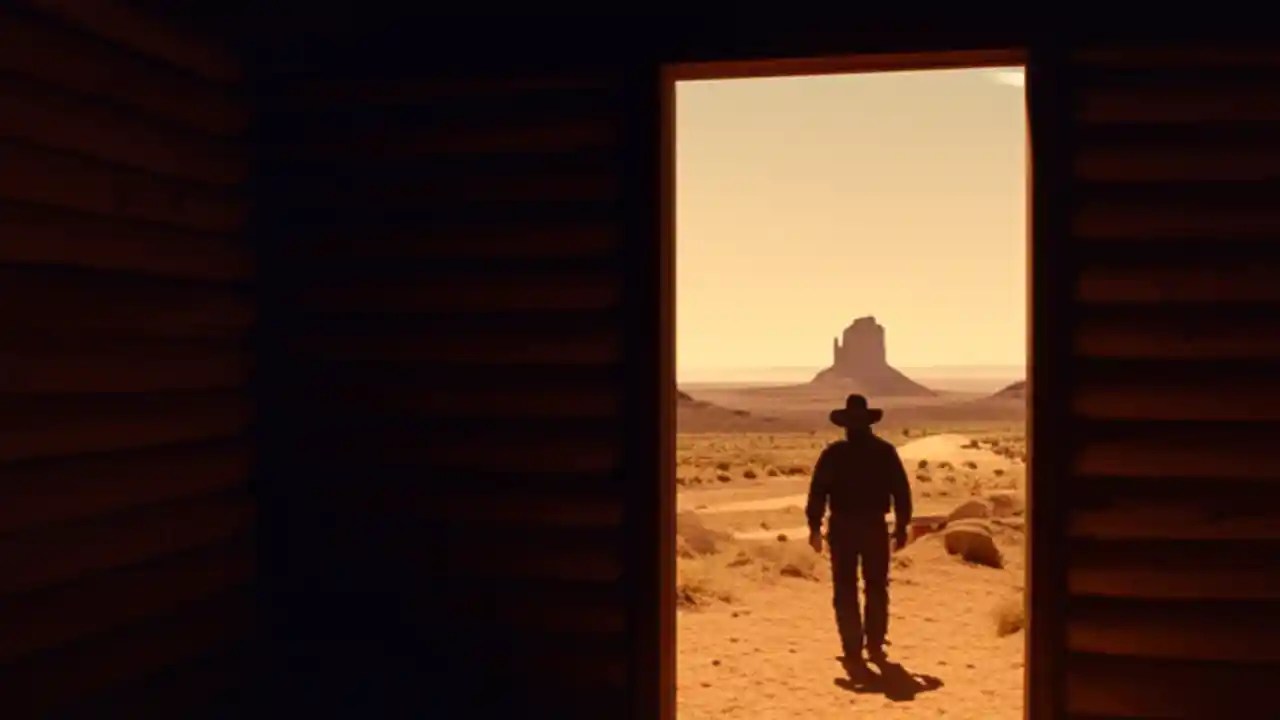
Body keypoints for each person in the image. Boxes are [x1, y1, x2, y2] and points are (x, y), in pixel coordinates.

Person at [805, 393, 913, 667]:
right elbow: (901, 493)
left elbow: (818, 492)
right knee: (876, 585)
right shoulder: (884, 452)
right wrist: (901, 527)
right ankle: (874, 642)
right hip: (873, 526)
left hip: (843, 527)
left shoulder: (833, 454)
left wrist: (815, 527)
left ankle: (853, 644)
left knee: (845, 586)